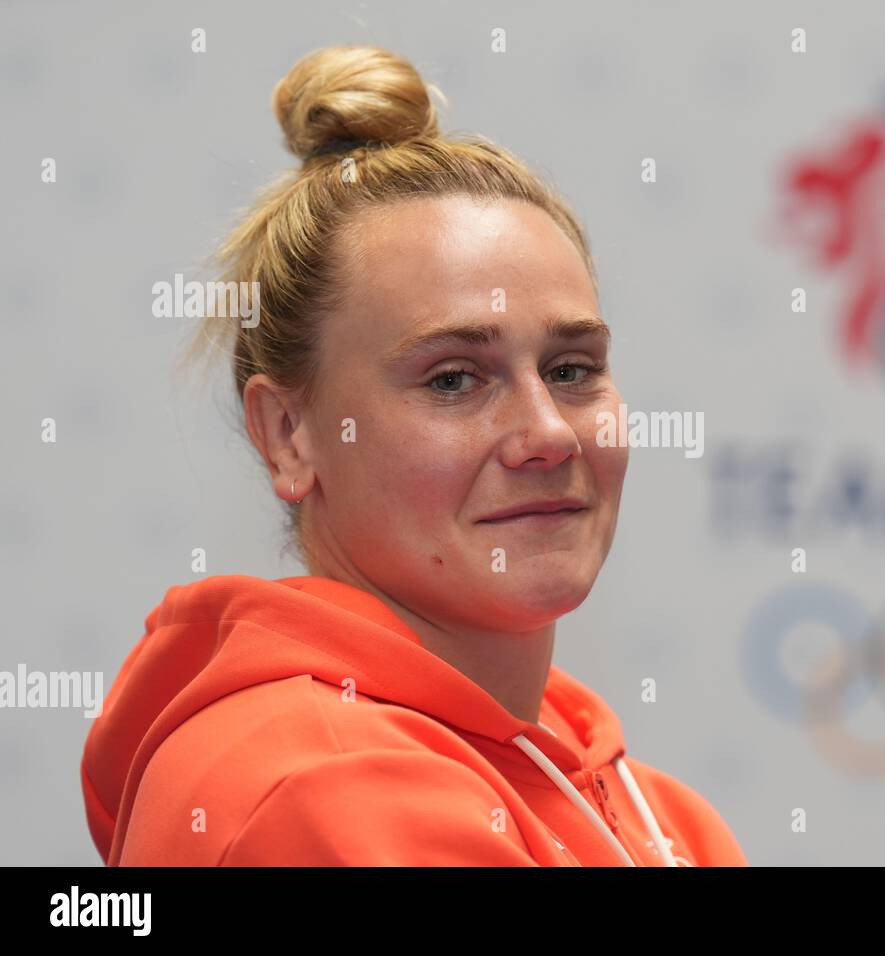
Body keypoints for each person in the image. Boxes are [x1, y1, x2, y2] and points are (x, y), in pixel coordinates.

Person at [80, 44, 747, 867]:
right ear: (291, 434)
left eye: (572, 369)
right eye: (454, 379)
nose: (548, 433)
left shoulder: (661, 817)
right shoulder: (319, 789)